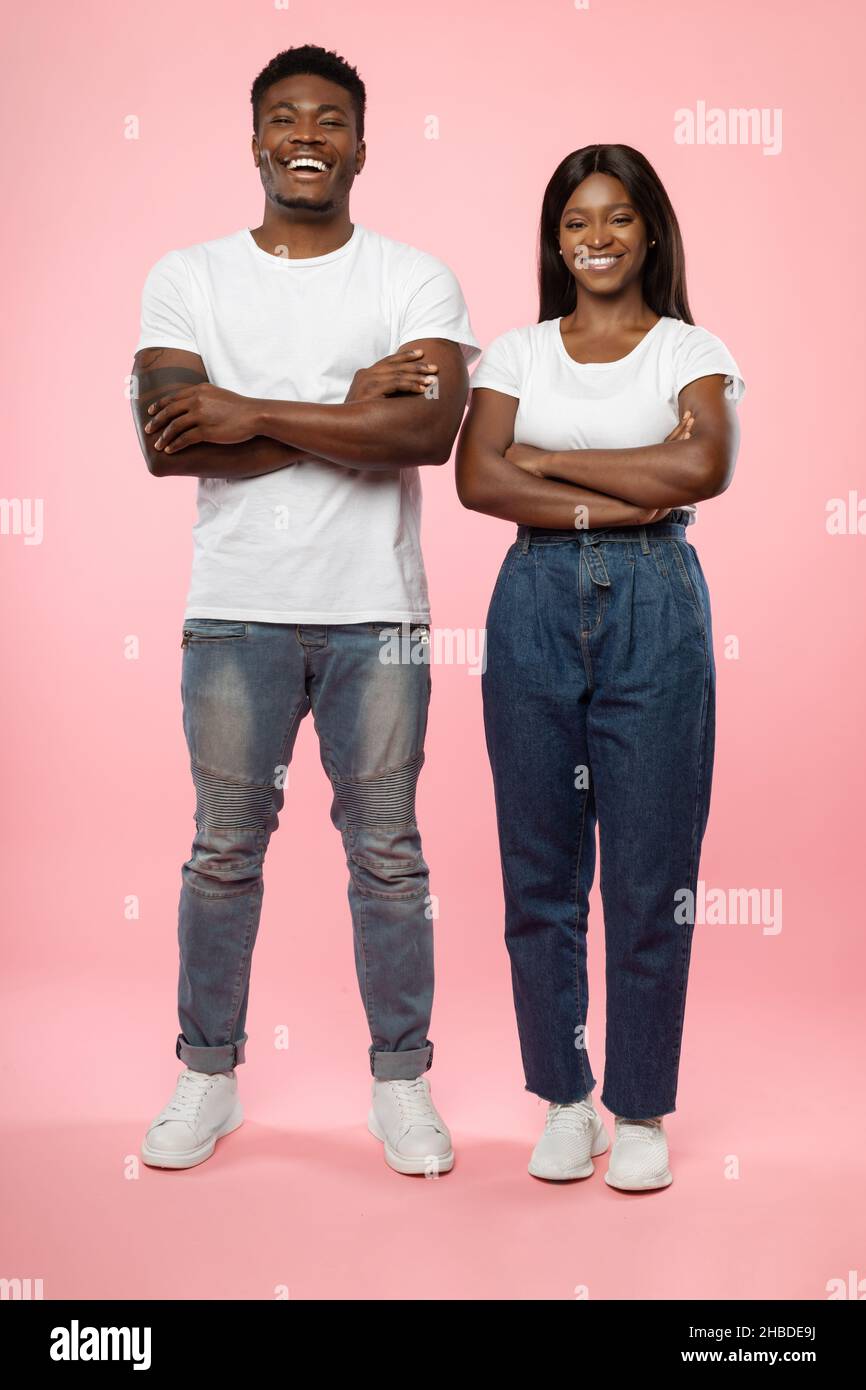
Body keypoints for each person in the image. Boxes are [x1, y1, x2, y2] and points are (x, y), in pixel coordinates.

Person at [130, 44, 480, 1174]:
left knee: (388, 855)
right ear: (255, 140)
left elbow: (426, 433)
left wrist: (245, 414)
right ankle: (207, 1075)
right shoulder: (185, 275)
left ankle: (401, 1084)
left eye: (330, 120)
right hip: (236, 611)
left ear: (361, 144)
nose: (307, 137)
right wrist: (342, 406)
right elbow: (164, 441)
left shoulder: (413, 276)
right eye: (285, 118)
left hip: (375, 611)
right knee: (222, 852)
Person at [456, 144, 744, 1190]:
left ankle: (640, 1108)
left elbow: (701, 466)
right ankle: (564, 1100)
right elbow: (476, 481)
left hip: (654, 606)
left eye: (615, 218)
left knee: (646, 874)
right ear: (554, 239)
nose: (594, 239)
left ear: (649, 230)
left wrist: (546, 458)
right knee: (538, 876)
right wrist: (629, 484)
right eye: (575, 221)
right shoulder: (518, 353)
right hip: (531, 601)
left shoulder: (689, 347)